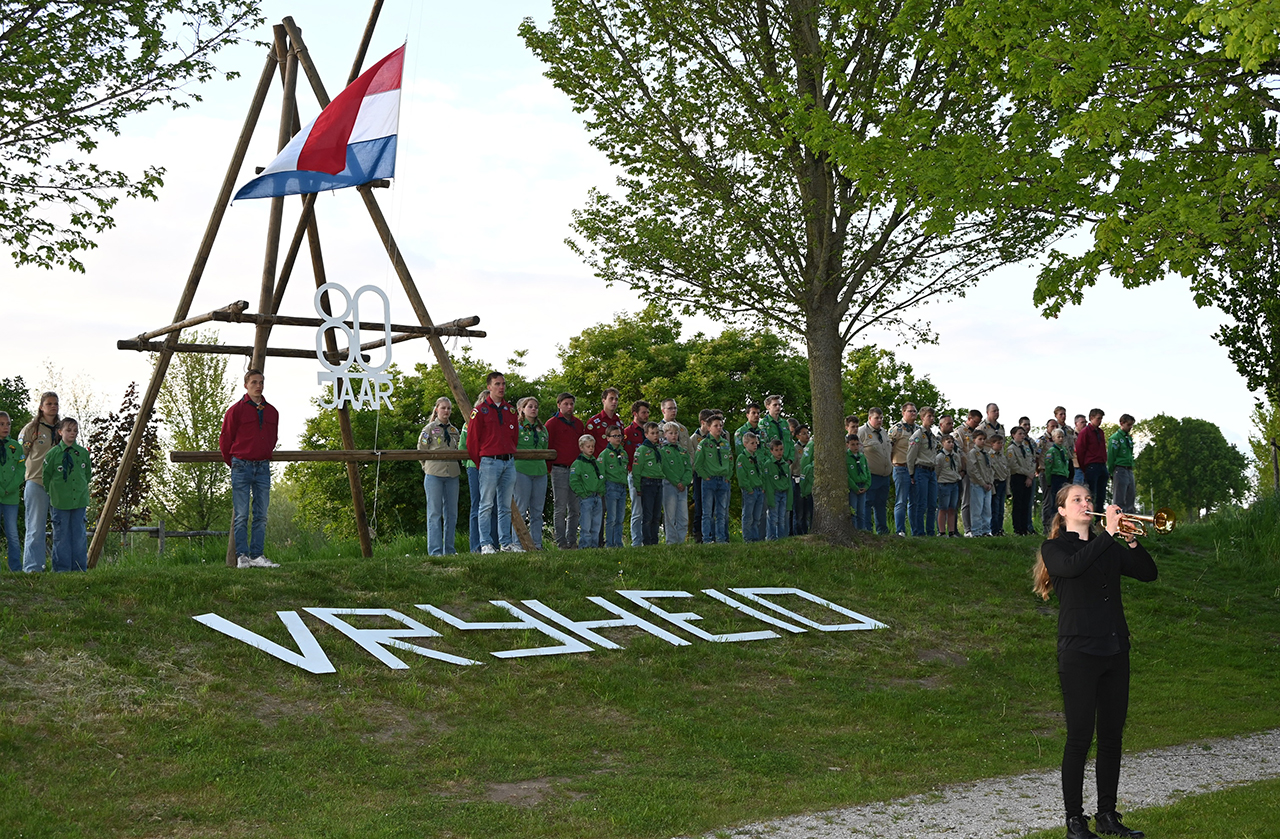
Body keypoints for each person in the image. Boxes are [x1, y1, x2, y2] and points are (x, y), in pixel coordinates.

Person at [1032, 484, 1157, 839]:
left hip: (1116, 650)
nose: (1086, 503)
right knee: (1079, 737)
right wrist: (1109, 536)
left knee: (1112, 736)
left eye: (1089, 499)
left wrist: (1130, 540)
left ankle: (1107, 815)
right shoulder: (1054, 548)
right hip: (1078, 653)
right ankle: (1075, 820)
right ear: (1062, 511)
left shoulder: (1109, 547)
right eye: (1077, 500)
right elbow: (1072, 568)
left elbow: (1149, 573)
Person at [219, 370, 280, 569]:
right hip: (241, 466)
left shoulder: (272, 412)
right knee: (242, 514)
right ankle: (242, 557)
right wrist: (235, 462)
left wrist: (263, 454)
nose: (258, 386)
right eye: (254, 382)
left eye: (261, 382)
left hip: (263, 467)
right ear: (246, 385)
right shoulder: (235, 411)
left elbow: (273, 438)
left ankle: (257, 556)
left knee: (261, 514)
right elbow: (225, 440)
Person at [465, 371, 521, 554]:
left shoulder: (511, 411)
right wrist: (481, 463)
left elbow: (515, 438)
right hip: (489, 462)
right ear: (489, 387)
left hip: (508, 462)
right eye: (497, 384)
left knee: (505, 505)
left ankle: (505, 543)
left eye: (503, 384)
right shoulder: (479, 411)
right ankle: (486, 544)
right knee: (486, 504)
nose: (501, 387)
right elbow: (472, 442)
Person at [42, 418, 90, 572]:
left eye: (75, 430)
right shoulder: (53, 454)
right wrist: (54, 493)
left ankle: (79, 568)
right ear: (60, 432)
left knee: (79, 536)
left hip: (79, 501)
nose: (73, 433)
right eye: (69, 430)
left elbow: (87, 474)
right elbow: (46, 477)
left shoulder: (82, 453)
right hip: (60, 501)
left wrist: (80, 488)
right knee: (61, 536)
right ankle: (61, 570)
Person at [19, 391, 58, 572]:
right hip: (37, 482)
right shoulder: (31, 429)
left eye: (55, 403)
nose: (53, 406)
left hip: (59, 485)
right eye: (49, 403)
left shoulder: (62, 428)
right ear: (41, 407)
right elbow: (20, 456)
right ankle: (33, 568)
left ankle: (62, 567)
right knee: (35, 528)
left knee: (61, 526)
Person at [418, 397, 462, 557]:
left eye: (449, 408)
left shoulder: (454, 431)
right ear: (436, 409)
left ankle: (449, 550)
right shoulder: (428, 429)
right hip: (434, 474)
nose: (446, 411)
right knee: (434, 514)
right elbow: (421, 450)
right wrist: (426, 467)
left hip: (452, 474)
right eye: (443, 408)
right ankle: (435, 551)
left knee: (451, 513)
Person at [545, 392, 585, 549]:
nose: (569, 407)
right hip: (559, 469)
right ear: (559, 405)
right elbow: (548, 447)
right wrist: (549, 469)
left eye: (572, 404)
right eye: (566, 404)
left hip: (576, 469)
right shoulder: (552, 423)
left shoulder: (578, 424)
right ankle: (561, 542)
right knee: (560, 507)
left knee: (575, 508)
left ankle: (572, 540)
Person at [460, 390, 498, 553]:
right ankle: (476, 546)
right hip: (475, 467)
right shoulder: (470, 422)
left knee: (495, 506)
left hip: (495, 467)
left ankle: (494, 544)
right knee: (478, 506)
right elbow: (463, 447)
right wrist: (472, 464)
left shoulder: (497, 421)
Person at [513, 396, 549, 550]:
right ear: (521, 409)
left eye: (535, 407)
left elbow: (545, 446)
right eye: (530, 406)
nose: (534, 409)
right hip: (522, 470)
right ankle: (517, 543)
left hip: (540, 471)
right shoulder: (517, 426)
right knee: (521, 508)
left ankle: (537, 544)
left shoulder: (542, 428)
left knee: (537, 510)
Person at [695, 415, 732, 543]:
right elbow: (698, 464)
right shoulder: (704, 444)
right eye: (716, 426)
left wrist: (728, 476)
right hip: (709, 481)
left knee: (721, 512)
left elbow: (730, 462)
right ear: (709, 427)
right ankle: (707, 538)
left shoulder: (725, 443)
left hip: (723, 480)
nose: (719, 428)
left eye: (721, 425)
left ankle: (721, 538)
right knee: (707, 512)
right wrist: (706, 477)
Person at [858, 408, 893, 535]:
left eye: (881, 418)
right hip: (870, 475)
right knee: (867, 503)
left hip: (884, 476)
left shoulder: (883, 432)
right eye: (877, 418)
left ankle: (882, 531)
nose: (880, 420)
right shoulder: (862, 432)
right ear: (869, 418)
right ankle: (867, 531)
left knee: (881, 504)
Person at [906, 407, 940, 537]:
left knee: (932, 504)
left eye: (933, 416)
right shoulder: (918, 434)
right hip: (921, 470)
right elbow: (910, 456)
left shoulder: (932, 435)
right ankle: (919, 532)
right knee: (921, 503)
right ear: (922, 418)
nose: (932, 419)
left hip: (931, 471)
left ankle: (931, 531)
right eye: (929, 416)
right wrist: (911, 473)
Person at [622, 400, 651, 547]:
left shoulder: (651, 432)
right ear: (635, 413)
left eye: (647, 412)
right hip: (635, 475)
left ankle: (649, 541)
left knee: (650, 510)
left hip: (651, 476)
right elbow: (626, 455)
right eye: (643, 412)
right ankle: (636, 542)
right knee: (637, 510)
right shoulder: (627, 432)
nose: (646, 415)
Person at [632, 421, 665, 546]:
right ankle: (647, 542)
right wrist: (638, 486)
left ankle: (654, 541)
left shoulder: (658, 450)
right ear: (646, 434)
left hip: (658, 482)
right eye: (652, 433)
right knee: (648, 515)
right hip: (647, 483)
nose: (655, 436)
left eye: (657, 433)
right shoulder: (642, 450)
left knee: (657, 515)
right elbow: (636, 470)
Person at [888, 403, 919, 536]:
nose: (913, 414)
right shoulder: (897, 429)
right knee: (901, 500)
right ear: (903, 413)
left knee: (914, 502)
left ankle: (916, 531)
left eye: (915, 411)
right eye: (910, 411)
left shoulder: (919, 429)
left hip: (916, 469)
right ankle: (900, 530)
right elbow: (889, 448)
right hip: (901, 467)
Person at [569, 435, 604, 549]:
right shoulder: (578, 463)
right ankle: (584, 546)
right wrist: (583, 494)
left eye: (592, 446)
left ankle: (594, 545)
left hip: (597, 497)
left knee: (597, 523)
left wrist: (601, 491)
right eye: (588, 446)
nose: (591, 449)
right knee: (586, 524)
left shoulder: (596, 462)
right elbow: (574, 481)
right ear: (581, 447)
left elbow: (601, 477)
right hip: (586, 498)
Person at [0, 412, 25, 572]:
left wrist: (9, 488)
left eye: (8, 424)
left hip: (11, 497)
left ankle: (15, 569)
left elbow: (21, 470)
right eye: (1, 424)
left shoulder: (16, 447)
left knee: (12, 534)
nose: (5, 427)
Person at [660, 423, 692, 544]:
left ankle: (681, 541)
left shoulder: (683, 451)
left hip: (682, 487)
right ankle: (671, 541)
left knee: (683, 516)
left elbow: (688, 468)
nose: (674, 436)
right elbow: (666, 468)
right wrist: (676, 482)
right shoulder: (663, 451)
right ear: (665, 435)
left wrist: (684, 482)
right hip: (669, 485)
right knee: (670, 516)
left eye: (676, 433)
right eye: (670, 433)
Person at [599, 427, 629, 548]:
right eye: (615, 436)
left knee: (620, 518)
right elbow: (601, 473)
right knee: (611, 517)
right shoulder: (604, 454)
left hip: (622, 486)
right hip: (611, 486)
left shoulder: (623, 453)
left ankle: (618, 543)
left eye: (620, 436)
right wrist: (602, 488)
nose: (618, 438)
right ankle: (610, 544)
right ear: (608, 438)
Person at [1076, 409, 1109, 514]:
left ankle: (1099, 518)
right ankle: (1088, 515)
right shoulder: (1085, 432)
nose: (1100, 421)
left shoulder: (1100, 432)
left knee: (1101, 494)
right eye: (1098, 418)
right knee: (1091, 493)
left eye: (1101, 419)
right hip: (1091, 465)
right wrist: (1084, 467)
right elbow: (1080, 450)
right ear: (1091, 418)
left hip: (1101, 464)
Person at [1007, 425, 1038, 536]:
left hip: (1028, 477)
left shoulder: (1026, 447)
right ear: (1013, 435)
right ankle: (1018, 529)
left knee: (1026, 503)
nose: (1022, 436)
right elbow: (1013, 466)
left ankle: (1025, 528)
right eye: (1019, 434)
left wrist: (1030, 476)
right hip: (1018, 477)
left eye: (1023, 434)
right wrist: (1027, 473)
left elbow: (1032, 461)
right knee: (1018, 503)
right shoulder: (1011, 449)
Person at [735, 431, 765, 542]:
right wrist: (749, 489)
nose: (755, 445)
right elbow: (742, 477)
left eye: (756, 443)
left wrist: (762, 487)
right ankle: (747, 539)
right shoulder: (742, 458)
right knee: (748, 516)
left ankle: (755, 538)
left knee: (757, 517)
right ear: (745, 444)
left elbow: (761, 472)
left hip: (759, 489)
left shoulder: (756, 457)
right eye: (752, 443)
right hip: (750, 491)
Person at [957, 409, 982, 534]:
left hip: (978, 471)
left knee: (977, 501)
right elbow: (960, 451)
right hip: (966, 470)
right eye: (975, 422)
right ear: (969, 418)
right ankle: (968, 529)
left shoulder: (977, 433)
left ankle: (977, 527)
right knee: (966, 500)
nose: (977, 425)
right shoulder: (960, 431)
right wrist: (965, 467)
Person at [1044, 428, 1072, 532]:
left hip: (1064, 477)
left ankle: (1063, 525)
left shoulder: (1063, 450)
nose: (1060, 439)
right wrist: (1049, 481)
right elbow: (1048, 467)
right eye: (1058, 437)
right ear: (1053, 438)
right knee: (1055, 503)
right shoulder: (1051, 451)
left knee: (1063, 502)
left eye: (1062, 437)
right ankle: (1053, 526)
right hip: (1055, 477)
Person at [762, 438, 791, 540]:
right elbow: (767, 483)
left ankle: (781, 538)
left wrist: (789, 498)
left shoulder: (786, 465)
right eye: (776, 450)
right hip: (774, 493)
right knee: (773, 517)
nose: (779, 452)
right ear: (771, 451)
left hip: (784, 493)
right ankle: (771, 538)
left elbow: (788, 483)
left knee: (782, 517)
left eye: (781, 449)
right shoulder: (768, 464)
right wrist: (769, 497)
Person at [967, 430, 994, 537]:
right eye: (980, 439)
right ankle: (976, 531)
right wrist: (983, 483)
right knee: (977, 509)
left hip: (988, 485)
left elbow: (991, 469)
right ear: (974, 440)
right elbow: (972, 470)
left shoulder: (986, 453)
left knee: (987, 509)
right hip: (977, 484)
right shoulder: (972, 453)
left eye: (984, 439)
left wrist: (990, 482)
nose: (982, 441)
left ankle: (986, 530)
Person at [1108, 415, 1137, 514]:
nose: (1130, 427)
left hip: (1129, 469)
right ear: (1122, 423)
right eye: (1128, 425)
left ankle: (1129, 522)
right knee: (1119, 499)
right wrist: (1111, 472)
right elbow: (1111, 457)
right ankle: (1116, 522)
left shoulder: (1128, 438)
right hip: (1119, 469)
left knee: (1131, 496)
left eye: (1131, 425)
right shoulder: (1115, 438)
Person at [935, 435, 962, 537]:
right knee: (943, 508)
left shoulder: (955, 456)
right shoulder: (940, 457)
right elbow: (937, 472)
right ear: (942, 443)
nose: (951, 444)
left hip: (954, 483)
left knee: (952, 508)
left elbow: (958, 467)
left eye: (952, 442)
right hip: (944, 484)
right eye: (948, 442)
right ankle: (941, 532)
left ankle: (951, 532)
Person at [790, 423, 812, 535]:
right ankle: (797, 534)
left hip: (808, 481)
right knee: (798, 511)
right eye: (804, 433)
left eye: (808, 433)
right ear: (797, 436)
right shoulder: (795, 449)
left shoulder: (811, 447)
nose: (807, 435)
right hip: (797, 481)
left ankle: (806, 532)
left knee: (807, 510)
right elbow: (792, 467)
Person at [846, 434, 870, 530]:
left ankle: (862, 532)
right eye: (853, 445)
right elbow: (846, 475)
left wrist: (867, 486)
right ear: (847, 445)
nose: (855, 447)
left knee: (861, 512)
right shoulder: (846, 457)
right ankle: (854, 531)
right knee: (853, 512)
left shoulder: (862, 457)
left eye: (857, 444)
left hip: (863, 486)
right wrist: (854, 487)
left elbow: (867, 472)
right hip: (853, 488)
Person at [758, 396, 793, 460]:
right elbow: (763, 445)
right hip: (772, 462)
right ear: (768, 406)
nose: (778, 407)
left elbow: (791, 442)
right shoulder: (763, 423)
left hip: (786, 462)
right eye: (775, 405)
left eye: (779, 405)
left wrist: (790, 459)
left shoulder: (785, 423)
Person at [990, 434, 1010, 536]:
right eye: (998, 443)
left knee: (1001, 508)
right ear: (992, 444)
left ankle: (1000, 529)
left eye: (1002, 443)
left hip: (1003, 482)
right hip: (995, 482)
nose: (1001, 445)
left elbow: (1007, 471)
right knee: (995, 508)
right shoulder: (989, 455)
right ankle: (994, 529)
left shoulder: (1003, 456)